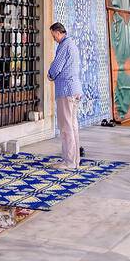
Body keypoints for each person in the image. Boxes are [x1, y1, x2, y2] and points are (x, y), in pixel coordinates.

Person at [47, 21, 82, 170]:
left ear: (58, 32)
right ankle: (74, 160)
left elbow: (57, 66)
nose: (53, 38)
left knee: (66, 127)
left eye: (53, 34)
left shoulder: (64, 46)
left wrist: (50, 75)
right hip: (74, 89)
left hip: (66, 91)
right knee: (72, 126)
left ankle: (68, 161)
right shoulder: (72, 44)